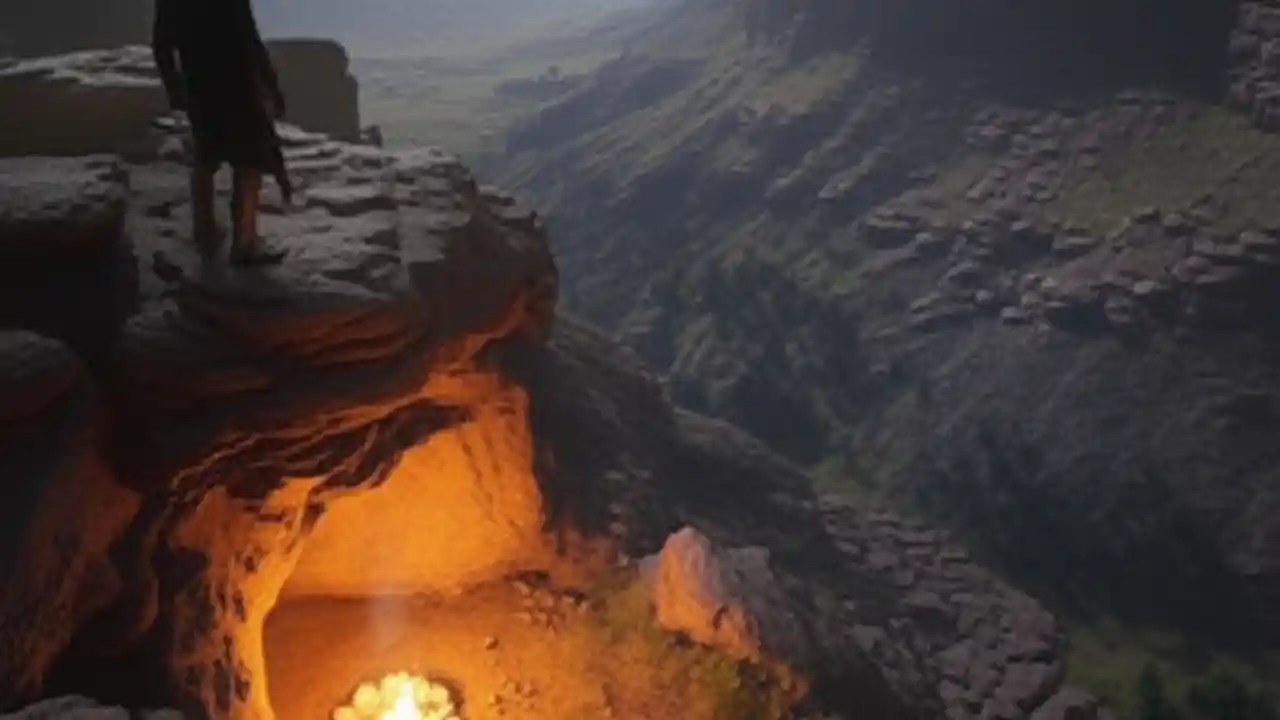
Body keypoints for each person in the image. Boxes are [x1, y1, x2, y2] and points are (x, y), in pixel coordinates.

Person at [152, 0, 293, 265]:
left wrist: (174, 87)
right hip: (237, 84)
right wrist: (270, 84)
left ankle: (205, 229)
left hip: (200, 83)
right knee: (248, 162)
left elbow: (162, 45)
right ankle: (244, 243)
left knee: (207, 155)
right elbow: (249, 39)